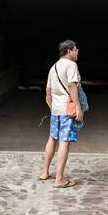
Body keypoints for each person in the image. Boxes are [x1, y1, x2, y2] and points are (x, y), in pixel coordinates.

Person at [39, 39, 83, 188]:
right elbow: (72, 86)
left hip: (56, 110)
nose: (78, 52)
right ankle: (59, 179)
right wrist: (78, 108)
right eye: (76, 49)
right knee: (64, 141)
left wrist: (52, 107)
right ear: (69, 51)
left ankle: (45, 172)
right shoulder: (71, 65)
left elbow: (48, 92)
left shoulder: (53, 67)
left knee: (52, 138)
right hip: (67, 109)